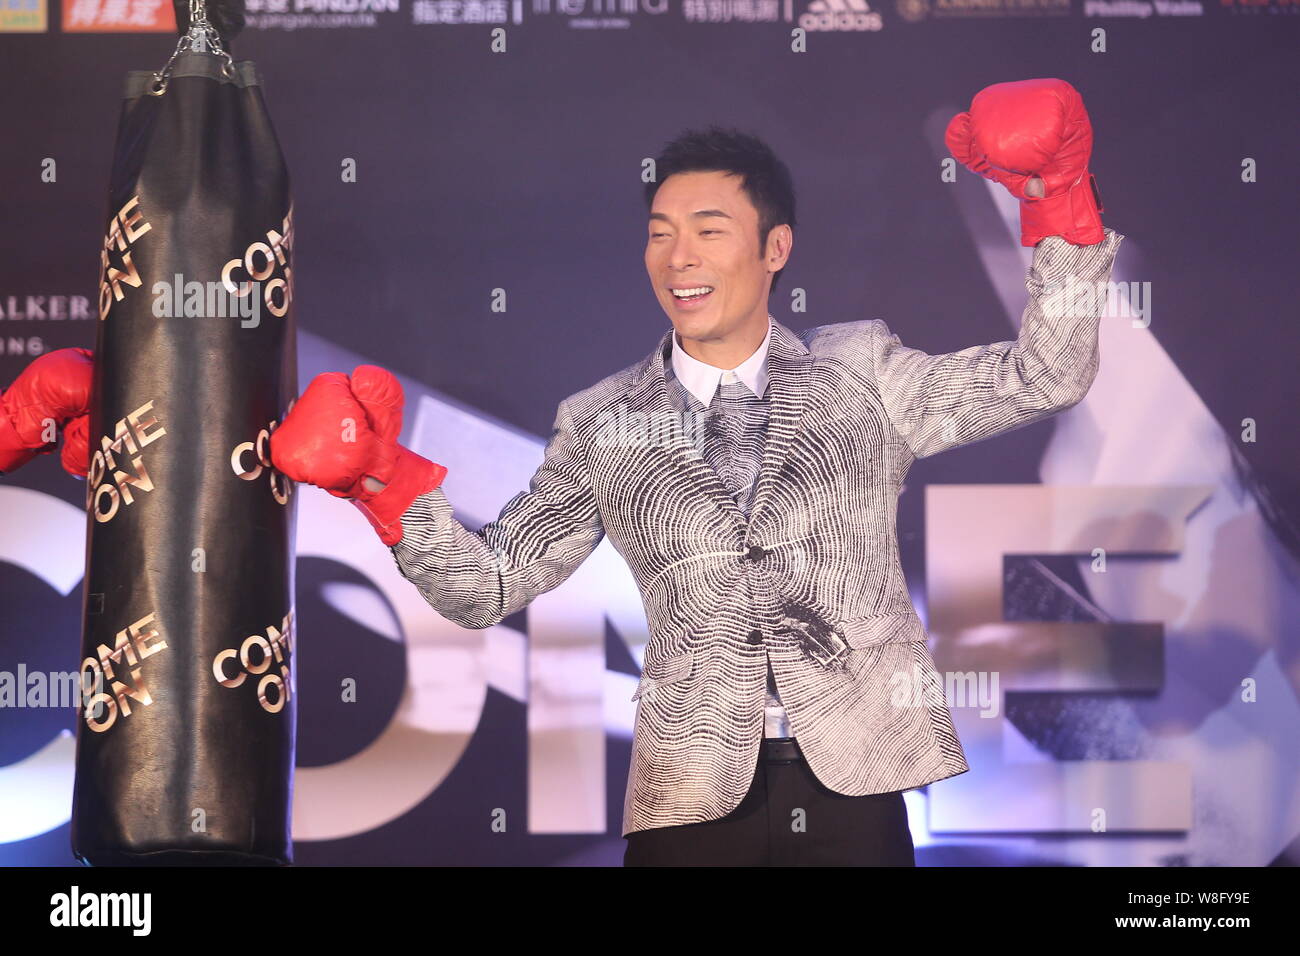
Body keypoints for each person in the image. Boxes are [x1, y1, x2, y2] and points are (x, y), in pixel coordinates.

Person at [1, 78, 1123, 866]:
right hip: (690, 801)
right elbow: (487, 585)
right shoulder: (600, 422)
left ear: (775, 248)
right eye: (658, 230)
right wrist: (386, 481)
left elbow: (1046, 373)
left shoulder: (864, 369)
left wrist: (1057, 205)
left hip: (859, 787)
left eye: (710, 229)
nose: (678, 256)